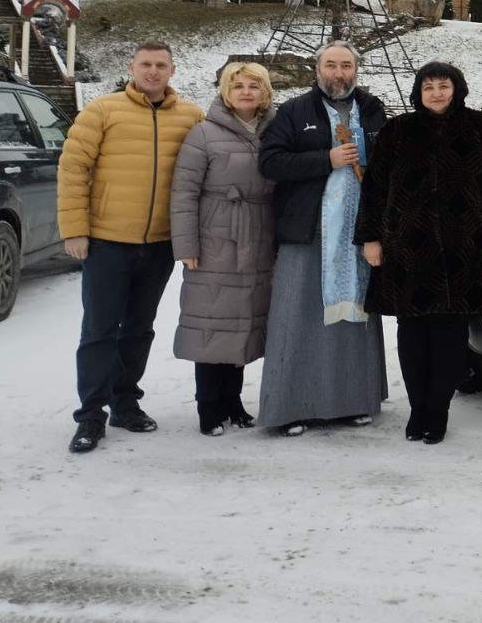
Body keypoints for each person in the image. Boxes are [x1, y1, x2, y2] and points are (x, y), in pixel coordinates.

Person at [355, 61, 482, 445]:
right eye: (428, 87)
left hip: (464, 250)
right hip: (406, 249)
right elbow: (375, 188)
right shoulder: (397, 131)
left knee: (449, 337)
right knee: (412, 334)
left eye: (443, 86)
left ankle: (438, 412)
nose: (436, 93)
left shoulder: (481, 128)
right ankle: (418, 410)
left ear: (456, 88)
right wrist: (370, 238)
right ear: (418, 93)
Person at [58, 41, 205, 454]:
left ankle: (125, 403)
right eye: (146, 64)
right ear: (132, 67)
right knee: (99, 329)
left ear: (172, 70)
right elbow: (73, 168)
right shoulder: (102, 111)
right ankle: (90, 415)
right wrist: (75, 229)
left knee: (139, 329)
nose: (153, 71)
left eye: (160, 65)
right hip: (107, 242)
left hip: (158, 243)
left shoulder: (191, 116)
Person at [256, 41, 389, 436]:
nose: (339, 73)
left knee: (354, 318)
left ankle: (353, 401)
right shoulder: (295, 111)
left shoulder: (372, 109)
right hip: (308, 230)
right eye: (331, 65)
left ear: (356, 69)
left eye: (346, 65)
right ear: (318, 69)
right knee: (298, 318)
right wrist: (325, 160)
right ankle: (291, 407)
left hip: (358, 231)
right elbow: (270, 162)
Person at [170, 61, 277, 436]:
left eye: (254, 86)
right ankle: (208, 407)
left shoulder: (275, 131)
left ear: (265, 92)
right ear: (226, 92)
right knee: (211, 325)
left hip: (258, 237)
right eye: (238, 86)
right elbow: (184, 193)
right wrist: (186, 244)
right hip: (215, 239)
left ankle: (233, 402)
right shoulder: (203, 133)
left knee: (243, 322)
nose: (246, 92)